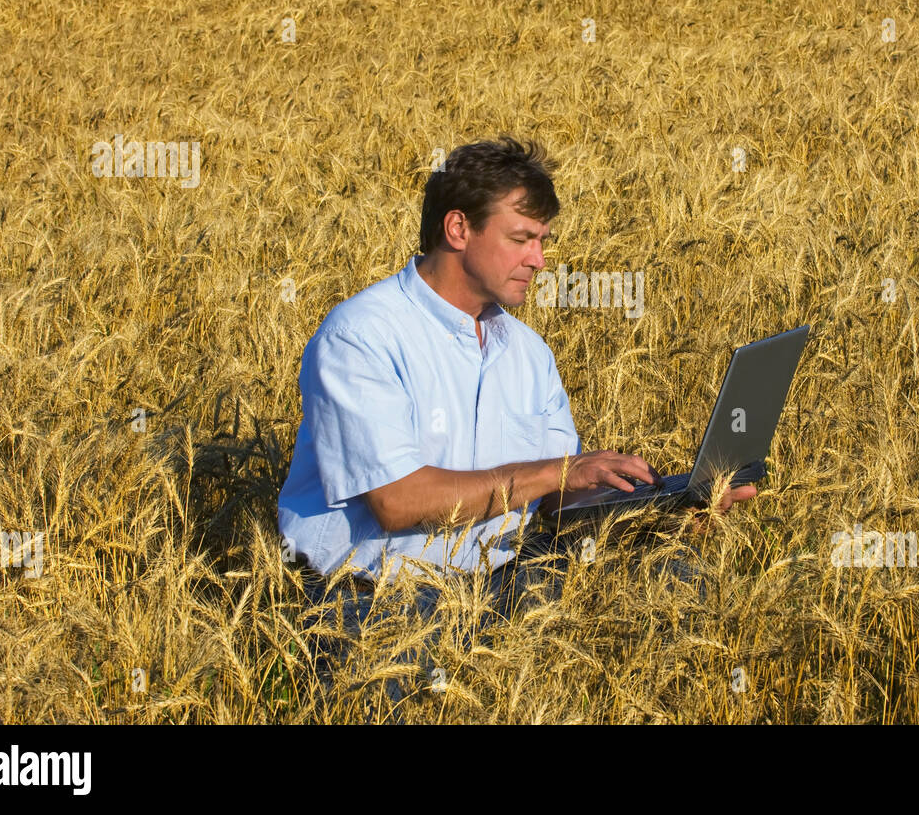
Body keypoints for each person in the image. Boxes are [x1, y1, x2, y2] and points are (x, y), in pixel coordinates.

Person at [277, 136, 756, 651]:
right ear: (458, 228)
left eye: (543, 241)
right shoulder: (361, 336)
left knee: (674, 578)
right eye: (523, 238)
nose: (540, 260)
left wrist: (662, 507)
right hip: (371, 599)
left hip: (499, 579)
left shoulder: (528, 352)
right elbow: (397, 502)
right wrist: (558, 472)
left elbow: (552, 499)